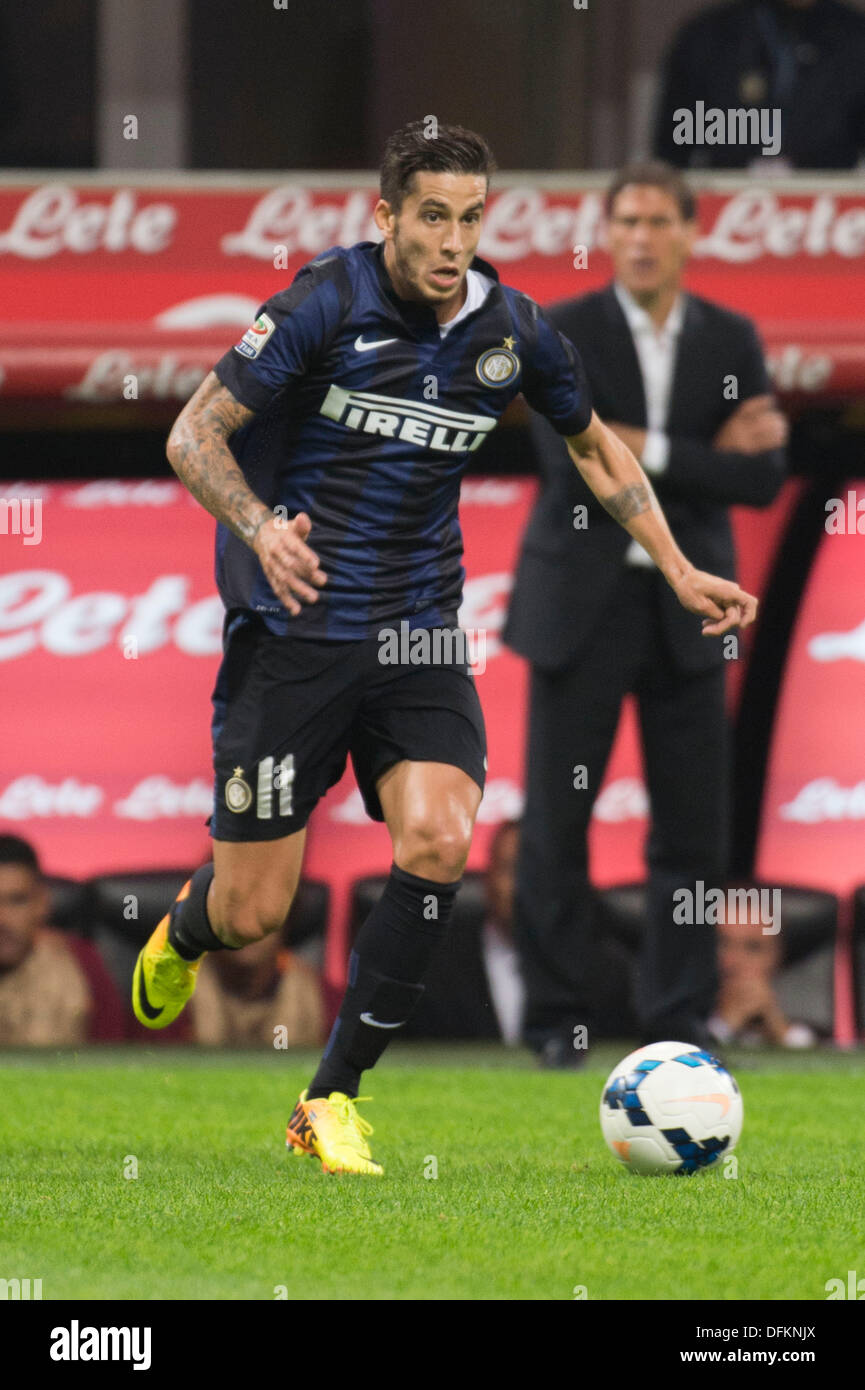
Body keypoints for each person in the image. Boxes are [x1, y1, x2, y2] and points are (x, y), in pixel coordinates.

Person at [132, 121, 758, 1176]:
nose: (452, 239)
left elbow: (595, 448)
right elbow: (194, 435)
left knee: (437, 838)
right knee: (254, 910)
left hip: (419, 628)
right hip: (295, 630)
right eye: (432, 216)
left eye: (470, 218)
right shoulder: (321, 304)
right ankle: (189, 928)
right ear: (386, 217)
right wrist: (259, 527)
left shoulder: (511, 330)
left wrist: (678, 564)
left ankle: (327, 1096)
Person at [504, 162, 786, 1066]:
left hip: (689, 605)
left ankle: (677, 1019)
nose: (639, 236)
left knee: (692, 832)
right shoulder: (565, 328)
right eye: (624, 219)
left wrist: (631, 443)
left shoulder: (731, 338)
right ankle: (555, 1019)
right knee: (556, 824)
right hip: (579, 607)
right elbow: (565, 459)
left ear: (689, 232)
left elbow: (762, 476)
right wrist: (690, 450)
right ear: (608, 228)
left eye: (657, 220)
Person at [654, 0, 865, 170]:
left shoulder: (854, 35)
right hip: (726, 200)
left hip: (829, 205)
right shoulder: (707, 35)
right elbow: (670, 151)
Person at [0, 834, 125, 1045]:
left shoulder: (83, 963)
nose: (2, 918)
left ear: (42, 903)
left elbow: (118, 1055)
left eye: (17, 900)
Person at [189, 929, 325, 1047]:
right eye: (235, 911)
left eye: (262, 913)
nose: (248, 928)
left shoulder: (324, 998)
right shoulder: (178, 992)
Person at [708, 910, 818, 1048]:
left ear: (778, 957)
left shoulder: (802, 1031)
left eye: (753, 948)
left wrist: (777, 1029)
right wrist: (724, 1025)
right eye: (722, 943)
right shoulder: (679, 1023)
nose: (732, 961)